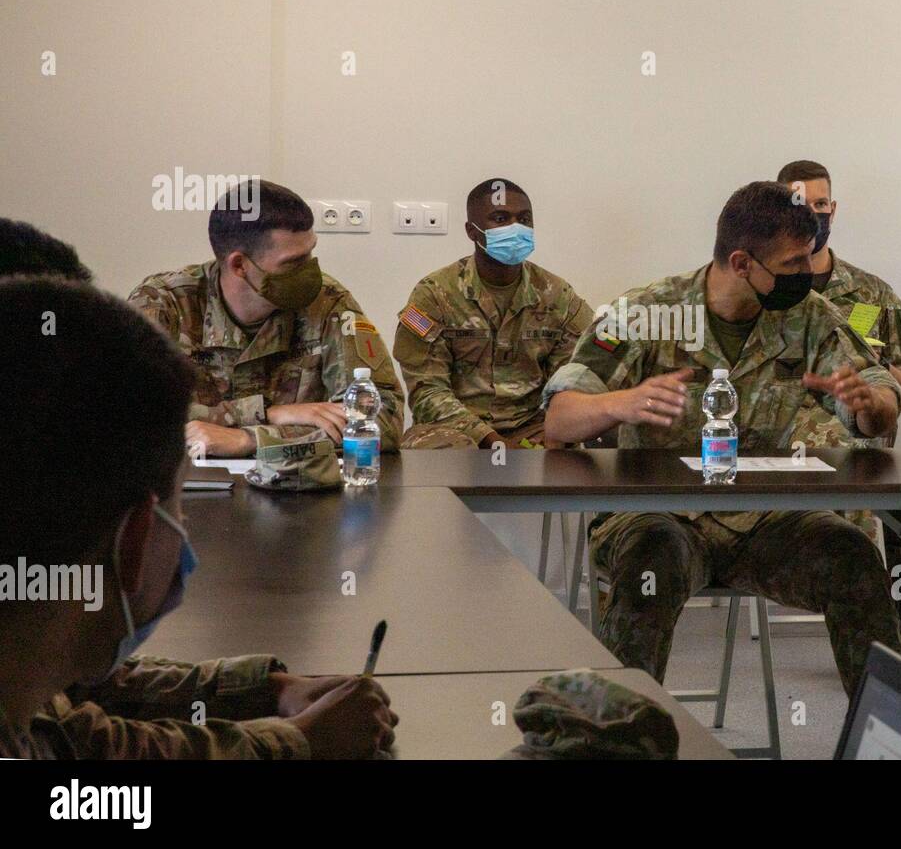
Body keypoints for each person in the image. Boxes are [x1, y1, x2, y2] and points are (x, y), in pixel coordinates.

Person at [0, 277, 398, 758]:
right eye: (180, 506)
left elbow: (84, 712)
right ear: (137, 542)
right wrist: (298, 744)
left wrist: (268, 690)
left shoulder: (28, 661)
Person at [542, 181, 901, 697]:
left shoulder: (808, 318)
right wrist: (618, 403)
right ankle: (621, 740)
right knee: (651, 563)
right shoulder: (647, 312)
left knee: (853, 558)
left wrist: (872, 407)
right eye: (792, 265)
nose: (805, 275)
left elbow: (880, 392)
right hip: (658, 515)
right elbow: (558, 421)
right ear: (741, 263)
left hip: (765, 521)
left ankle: (892, 737)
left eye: (808, 259)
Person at [128, 179, 404, 457]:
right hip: (190, 489)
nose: (310, 271)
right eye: (293, 262)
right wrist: (269, 414)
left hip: (301, 489)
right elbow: (126, 417)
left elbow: (382, 419)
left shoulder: (327, 302)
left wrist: (252, 439)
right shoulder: (164, 303)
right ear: (239, 265)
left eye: (311, 254)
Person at [393, 178, 592, 449]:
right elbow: (426, 391)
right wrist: (489, 439)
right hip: (455, 429)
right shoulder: (435, 294)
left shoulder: (557, 295)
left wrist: (552, 430)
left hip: (533, 426)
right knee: (439, 451)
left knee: (568, 452)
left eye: (524, 219)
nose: (515, 228)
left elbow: (573, 378)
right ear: (472, 231)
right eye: (500, 218)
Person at [776, 160, 901, 427]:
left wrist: (876, 366)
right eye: (800, 204)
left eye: (820, 205)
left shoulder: (876, 294)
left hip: (856, 462)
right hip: (771, 459)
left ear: (832, 211)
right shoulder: (761, 290)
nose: (812, 215)